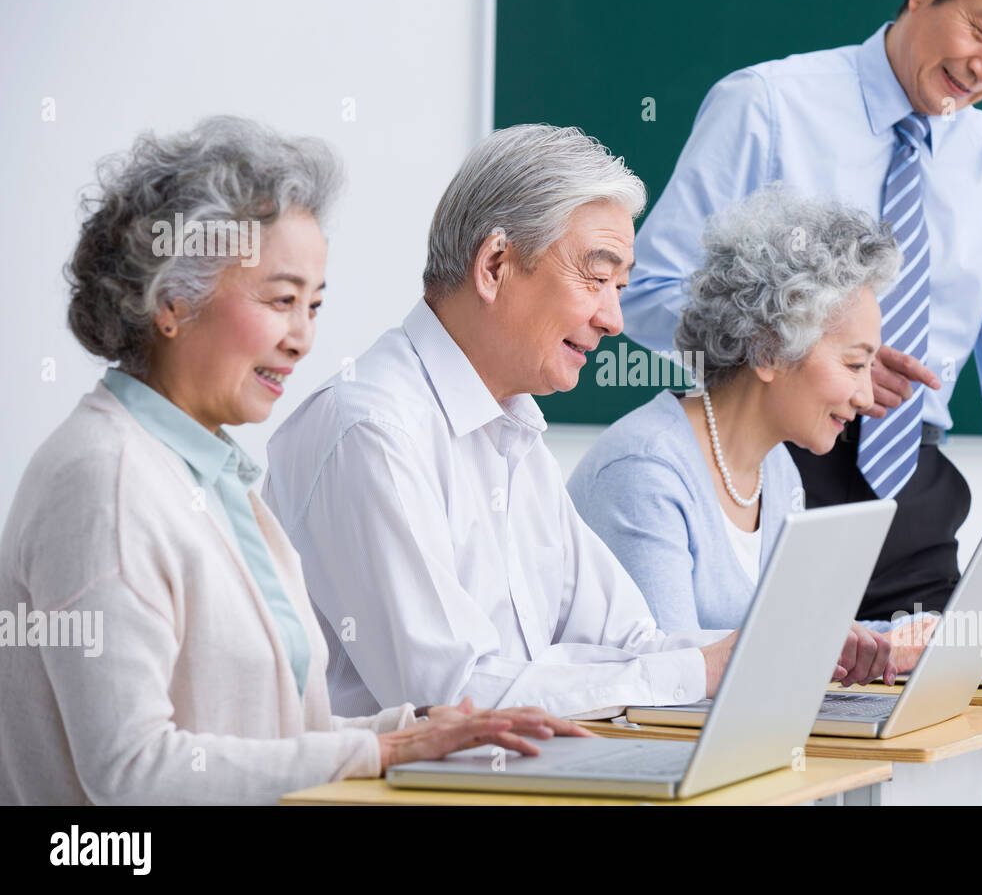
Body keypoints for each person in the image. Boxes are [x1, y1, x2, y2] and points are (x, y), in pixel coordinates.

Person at [0, 117, 585, 806]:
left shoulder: (211, 473)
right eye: (281, 301)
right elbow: (132, 773)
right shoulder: (104, 479)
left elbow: (266, 736)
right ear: (171, 302)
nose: (303, 338)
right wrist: (375, 750)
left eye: (313, 304)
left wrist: (422, 726)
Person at [619, 0, 982, 671]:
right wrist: (805, 350)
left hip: (914, 494)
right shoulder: (768, 106)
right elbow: (647, 295)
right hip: (768, 472)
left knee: (933, 733)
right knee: (752, 715)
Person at [264, 124, 893, 722]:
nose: (614, 320)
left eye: (621, 287)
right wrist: (702, 672)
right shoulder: (374, 429)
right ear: (495, 266)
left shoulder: (513, 431)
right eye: (597, 279)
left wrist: (774, 646)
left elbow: (626, 638)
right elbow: (450, 695)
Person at [570, 183, 982, 668]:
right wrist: (893, 649)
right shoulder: (644, 471)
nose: (868, 397)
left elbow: (801, 633)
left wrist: (935, 632)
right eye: (855, 365)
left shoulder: (776, 469)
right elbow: (671, 674)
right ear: (770, 350)